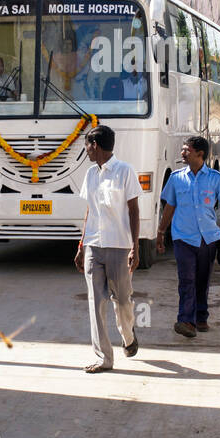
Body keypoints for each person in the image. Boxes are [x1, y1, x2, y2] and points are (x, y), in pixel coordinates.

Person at [157, 136, 220, 337]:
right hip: (182, 238)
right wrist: (161, 232)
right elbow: (169, 207)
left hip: (208, 239)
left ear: (200, 153)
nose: (182, 153)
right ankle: (185, 321)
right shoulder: (176, 178)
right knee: (186, 279)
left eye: (186, 150)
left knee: (202, 280)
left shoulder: (215, 178)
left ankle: (201, 316)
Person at [73, 125, 142, 373]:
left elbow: (134, 211)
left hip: (120, 246)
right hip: (94, 246)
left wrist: (135, 246)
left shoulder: (125, 171)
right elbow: (89, 211)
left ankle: (128, 335)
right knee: (96, 302)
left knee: (122, 301)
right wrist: (82, 245)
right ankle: (104, 358)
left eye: (87, 146)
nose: (86, 151)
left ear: (96, 145)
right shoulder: (90, 174)